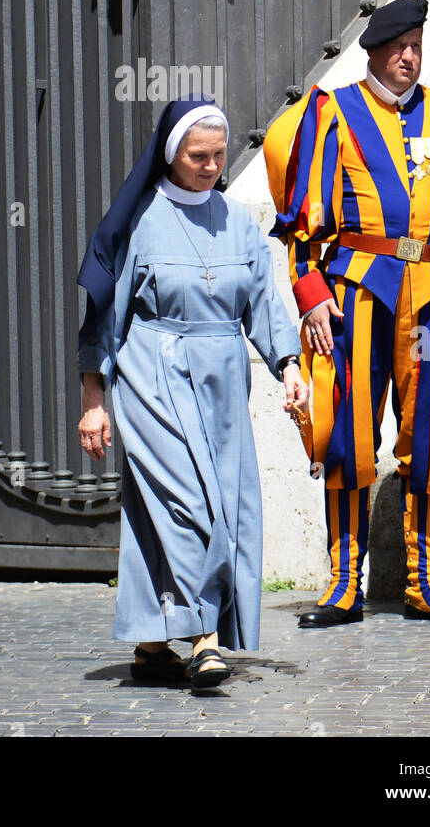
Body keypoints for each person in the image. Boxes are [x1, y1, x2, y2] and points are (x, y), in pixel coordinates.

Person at [262, 0, 430, 626]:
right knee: (345, 434)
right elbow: (302, 228)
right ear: (371, 50)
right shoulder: (334, 112)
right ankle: (344, 583)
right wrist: (312, 297)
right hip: (350, 298)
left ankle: (425, 582)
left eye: (417, 47)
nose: (409, 57)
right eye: (398, 47)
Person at [77, 97, 305, 687]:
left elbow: (263, 303)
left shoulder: (238, 221)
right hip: (153, 372)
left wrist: (290, 368)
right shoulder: (140, 221)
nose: (208, 166)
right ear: (169, 154)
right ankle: (206, 637)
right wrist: (93, 402)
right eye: (195, 155)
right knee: (189, 505)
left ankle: (152, 646)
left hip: (224, 380)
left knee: (187, 509)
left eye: (217, 155)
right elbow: (105, 317)